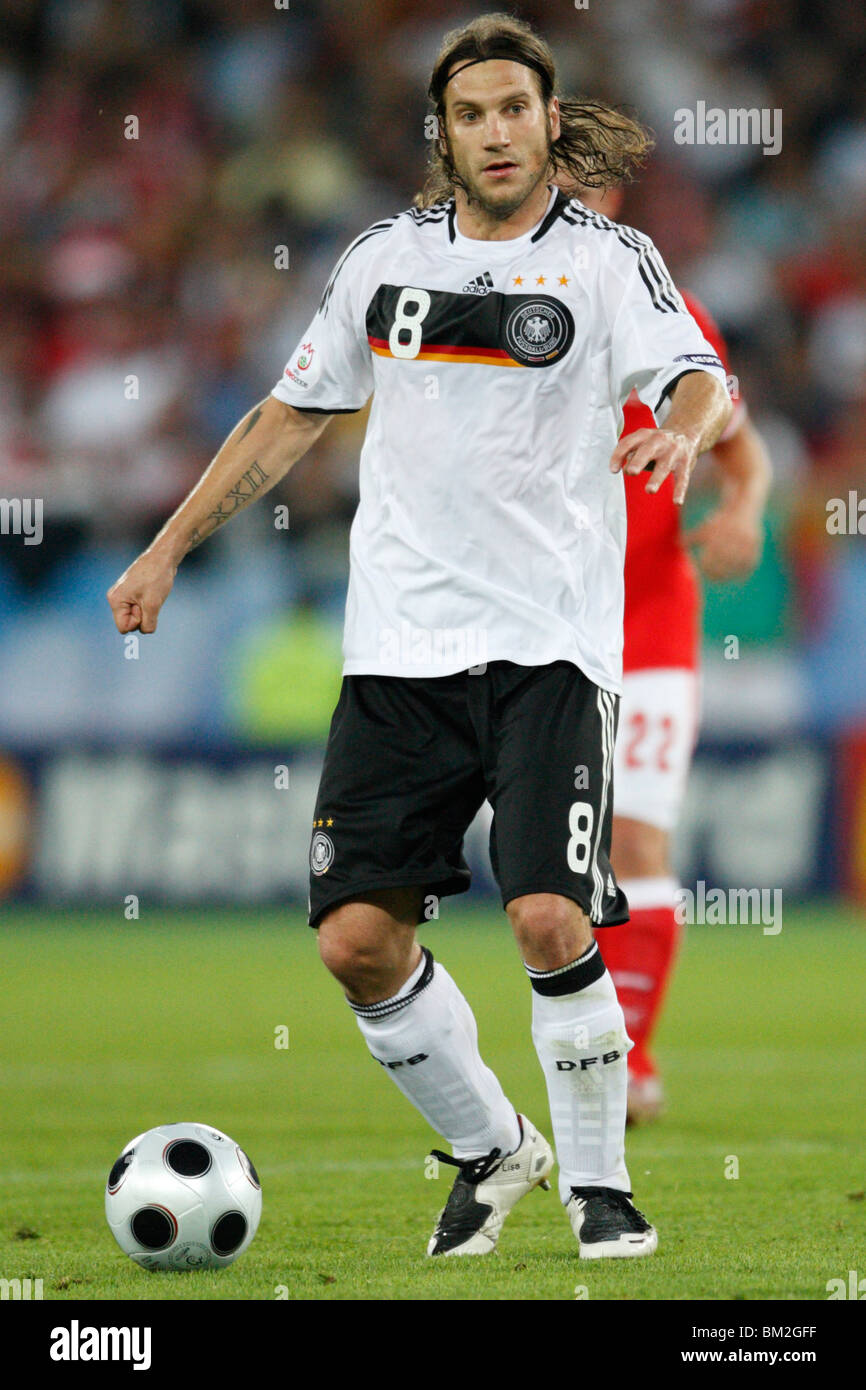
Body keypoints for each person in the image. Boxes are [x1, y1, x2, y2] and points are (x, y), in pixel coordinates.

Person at [107, 13, 732, 1260]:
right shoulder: (380, 262)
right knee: (355, 942)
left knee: (551, 915)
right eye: (470, 113)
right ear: (440, 136)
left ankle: (599, 1187)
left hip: (549, 643)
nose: (495, 131)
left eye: (515, 108)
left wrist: (683, 428)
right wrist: (169, 542)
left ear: (551, 122)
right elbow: (288, 417)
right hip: (397, 650)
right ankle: (497, 1145)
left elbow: (695, 375)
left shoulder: (610, 260)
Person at [577, 185, 772, 1123]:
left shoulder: (674, 320)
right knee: (556, 865)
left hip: (650, 626)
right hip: (543, 633)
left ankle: (631, 1064)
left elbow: (742, 447)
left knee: (636, 839)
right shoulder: (489, 311)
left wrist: (742, 510)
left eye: (586, 187)